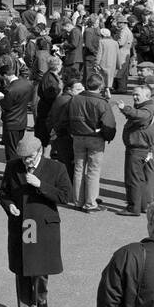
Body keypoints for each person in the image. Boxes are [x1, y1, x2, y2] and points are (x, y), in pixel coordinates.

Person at [0, 133, 72, 307]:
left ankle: (41, 304)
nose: (26, 161)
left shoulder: (56, 168)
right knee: (21, 269)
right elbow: (3, 192)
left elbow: (66, 196)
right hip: (20, 225)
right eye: (23, 158)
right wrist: (8, 205)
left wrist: (41, 185)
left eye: (29, 157)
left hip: (42, 226)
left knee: (40, 269)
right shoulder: (13, 167)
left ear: (40, 151)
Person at [67, 72, 117, 212]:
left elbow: (68, 117)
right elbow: (109, 124)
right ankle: (90, 203)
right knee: (93, 171)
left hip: (77, 136)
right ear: (100, 86)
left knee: (78, 168)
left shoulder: (75, 99)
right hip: (95, 138)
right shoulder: (101, 102)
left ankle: (78, 200)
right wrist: (107, 136)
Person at [116, 82, 154, 216]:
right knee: (140, 179)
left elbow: (140, 116)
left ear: (147, 95)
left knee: (133, 179)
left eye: (137, 94)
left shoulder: (148, 109)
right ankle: (142, 205)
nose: (134, 97)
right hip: (142, 149)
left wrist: (125, 109)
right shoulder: (147, 107)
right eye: (133, 94)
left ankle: (133, 208)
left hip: (137, 149)